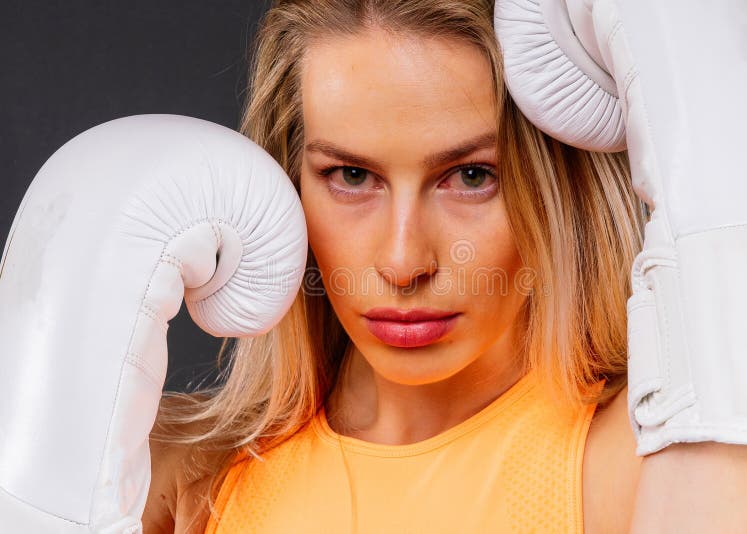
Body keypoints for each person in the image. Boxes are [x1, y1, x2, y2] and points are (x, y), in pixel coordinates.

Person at [143, 1, 643, 532]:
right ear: (286, 187)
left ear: (562, 188)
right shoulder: (179, 478)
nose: (403, 265)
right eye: (352, 176)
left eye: (472, 176)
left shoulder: (643, 458)